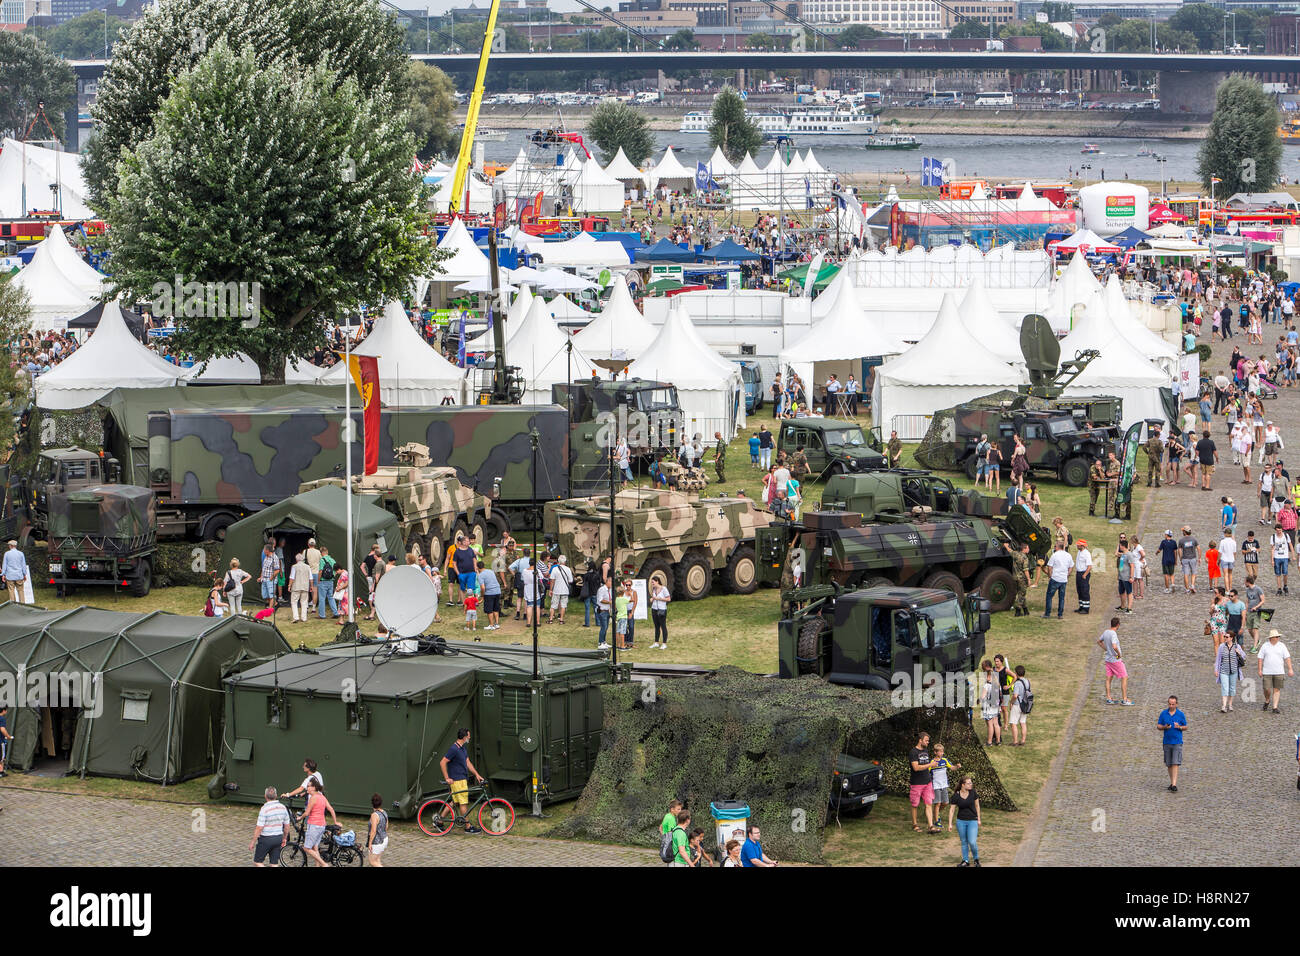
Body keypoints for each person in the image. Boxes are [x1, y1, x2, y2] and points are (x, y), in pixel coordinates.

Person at [439, 727, 485, 833]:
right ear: (464, 737)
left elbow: (468, 762)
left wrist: (477, 775)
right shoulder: (454, 749)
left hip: (462, 779)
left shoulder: (462, 748)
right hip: (458, 780)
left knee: (454, 802)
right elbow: (442, 762)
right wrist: (447, 778)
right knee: (463, 804)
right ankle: (468, 827)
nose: (470, 737)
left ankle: (440, 821)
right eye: (468, 736)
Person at [298, 778, 339, 867]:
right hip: (322, 826)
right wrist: (335, 821)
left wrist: (300, 818)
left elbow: (307, 813)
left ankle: (324, 864)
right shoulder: (322, 797)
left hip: (314, 825)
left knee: (306, 848)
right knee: (315, 848)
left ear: (314, 787)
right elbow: (331, 809)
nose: (307, 788)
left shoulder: (313, 798)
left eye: (308, 786)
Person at [908, 731, 941, 833]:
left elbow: (925, 765)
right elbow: (916, 767)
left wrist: (932, 764)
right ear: (920, 740)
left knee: (928, 803)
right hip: (916, 783)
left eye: (928, 741)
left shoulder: (926, 750)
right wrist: (930, 765)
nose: (928, 742)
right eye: (926, 740)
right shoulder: (913, 752)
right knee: (915, 804)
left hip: (927, 782)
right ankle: (915, 825)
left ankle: (931, 826)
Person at [250, 786, 291, 867]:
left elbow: (259, 828)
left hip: (266, 839)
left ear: (265, 796)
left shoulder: (264, 809)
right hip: (278, 838)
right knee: (274, 863)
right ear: (276, 796)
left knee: (258, 862)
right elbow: (287, 826)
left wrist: (253, 841)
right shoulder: (283, 808)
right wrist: (284, 838)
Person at [1156, 696, 1188, 792]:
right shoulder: (1163, 714)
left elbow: (1186, 726)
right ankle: (1171, 782)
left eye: (1173, 704)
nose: (1171, 706)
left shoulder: (1180, 714)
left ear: (1176, 704)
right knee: (1169, 764)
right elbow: (1158, 726)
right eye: (1169, 704)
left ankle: (1174, 784)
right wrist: (1164, 727)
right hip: (1167, 742)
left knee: (1175, 763)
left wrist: (1180, 727)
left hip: (1177, 742)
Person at [948, 776, 981, 867]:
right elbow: (952, 810)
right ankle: (965, 860)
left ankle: (976, 859)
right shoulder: (956, 795)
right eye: (969, 783)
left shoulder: (973, 793)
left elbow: (977, 806)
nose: (971, 784)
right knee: (964, 842)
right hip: (961, 821)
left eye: (971, 783)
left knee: (972, 842)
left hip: (972, 821)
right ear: (963, 785)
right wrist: (950, 823)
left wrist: (979, 819)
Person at [1259, 629, 1294, 714]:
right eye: (1277, 637)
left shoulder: (1282, 646)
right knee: (1266, 688)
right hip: (1267, 671)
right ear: (1271, 638)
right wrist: (1260, 669)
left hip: (1279, 671)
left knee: (1277, 689)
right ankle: (1267, 700)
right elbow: (1260, 658)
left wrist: (1290, 669)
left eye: (1278, 636)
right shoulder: (1265, 646)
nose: (1278, 638)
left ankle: (1275, 707)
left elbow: (1287, 658)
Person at [1215, 631, 1246, 713]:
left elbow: (1244, 656)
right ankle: (1224, 706)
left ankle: (1230, 704)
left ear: (1231, 638)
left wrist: (1239, 652)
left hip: (1234, 671)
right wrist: (1216, 670)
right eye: (1225, 636)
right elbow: (1218, 659)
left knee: (1232, 688)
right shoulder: (1221, 647)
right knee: (1225, 688)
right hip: (1223, 671)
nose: (1225, 638)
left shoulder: (1237, 646)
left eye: (1227, 637)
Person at [1044, 541, 1073, 619]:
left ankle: (1047, 613)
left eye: (1055, 546)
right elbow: (1071, 567)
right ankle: (1060, 614)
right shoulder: (1068, 555)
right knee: (1061, 597)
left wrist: (1050, 575)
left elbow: (1050, 566)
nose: (1054, 547)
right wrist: (1067, 574)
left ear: (1057, 547)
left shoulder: (1055, 555)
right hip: (1063, 579)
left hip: (1055, 578)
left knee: (1049, 596)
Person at [979, 661, 1002, 746]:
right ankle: (998, 741)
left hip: (988, 706)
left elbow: (982, 697)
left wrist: (979, 699)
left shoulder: (986, 685)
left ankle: (989, 742)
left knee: (990, 724)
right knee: (996, 723)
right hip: (996, 705)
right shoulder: (997, 683)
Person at [1009, 665, 1032, 745]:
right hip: (1025, 704)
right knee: (1023, 722)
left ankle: (1015, 741)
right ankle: (1023, 740)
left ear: (1016, 673)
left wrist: (1011, 702)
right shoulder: (1027, 681)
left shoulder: (1018, 683)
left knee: (1013, 723)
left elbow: (1015, 695)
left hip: (1017, 704)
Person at [548, 555, 572, 624]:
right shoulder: (568, 569)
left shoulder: (555, 569)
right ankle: (561, 619)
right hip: (565, 590)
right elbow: (570, 580)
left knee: (553, 605)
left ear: (558, 561)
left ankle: (551, 619)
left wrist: (550, 590)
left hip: (556, 590)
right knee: (563, 605)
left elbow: (552, 580)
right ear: (565, 561)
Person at [477, 560, 501, 630]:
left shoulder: (480, 575)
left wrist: (482, 595)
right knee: (496, 608)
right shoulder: (491, 571)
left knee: (489, 609)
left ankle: (491, 625)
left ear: (478, 568)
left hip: (489, 593)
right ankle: (496, 624)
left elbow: (483, 587)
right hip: (497, 591)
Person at [366, 793, 389, 866]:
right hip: (384, 839)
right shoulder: (384, 812)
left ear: (372, 803)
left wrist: (370, 843)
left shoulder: (374, 815)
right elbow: (386, 826)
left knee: (372, 861)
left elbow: (373, 831)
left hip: (377, 842)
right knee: (377, 860)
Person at [649, 575, 671, 649]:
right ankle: (656, 642)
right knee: (656, 626)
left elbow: (668, 599)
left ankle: (664, 643)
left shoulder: (664, 589)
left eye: (653, 582)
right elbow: (654, 597)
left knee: (663, 626)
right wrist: (652, 599)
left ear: (657, 581)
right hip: (654, 609)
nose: (652, 584)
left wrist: (659, 598)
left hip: (662, 609)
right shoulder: (654, 589)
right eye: (652, 582)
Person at [289, 552, 312, 623]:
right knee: (304, 602)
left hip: (296, 587)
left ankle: (296, 617)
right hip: (305, 586)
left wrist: (289, 585)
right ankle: (304, 618)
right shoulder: (308, 567)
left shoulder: (294, 566)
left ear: (296, 560)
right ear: (303, 560)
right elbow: (311, 578)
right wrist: (311, 586)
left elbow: (292, 577)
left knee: (294, 602)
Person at [257, 541, 280, 608]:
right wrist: (261, 577)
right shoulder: (266, 558)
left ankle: (269, 610)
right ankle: (275, 603)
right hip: (264, 579)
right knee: (265, 595)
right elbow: (263, 568)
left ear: (267, 550)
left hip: (270, 580)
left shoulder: (274, 558)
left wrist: (271, 578)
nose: (263, 551)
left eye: (264, 550)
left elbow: (277, 570)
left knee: (271, 595)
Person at [1074, 538, 1093, 614]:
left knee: (1084, 591)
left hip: (1083, 573)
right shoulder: (1079, 552)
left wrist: (1085, 575)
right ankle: (1081, 606)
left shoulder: (1086, 553)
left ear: (1082, 546)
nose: (1077, 546)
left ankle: (1086, 608)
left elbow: (1089, 566)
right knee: (1079, 590)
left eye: (1078, 545)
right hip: (1079, 573)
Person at [1178, 526, 1199, 594]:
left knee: (1186, 574)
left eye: (1183, 531)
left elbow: (1179, 550)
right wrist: (1199, 557)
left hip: (1185, 558)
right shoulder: (1194, 539)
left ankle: (1187, 589)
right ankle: (1192, 585)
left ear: (1184, 532)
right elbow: (1199, 548)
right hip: (1193, 558)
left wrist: (1180, 559)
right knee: (1193, 573)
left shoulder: (1181, 540)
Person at [595, 573, 613, 650]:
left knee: (606, 627)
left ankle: (604, 641)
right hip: (602, 610)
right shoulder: (602, 589)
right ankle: (600, 642)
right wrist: (609, 602)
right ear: (607, 582)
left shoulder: (610, 590)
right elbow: (600, 600)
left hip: (607, 610)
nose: (612, 584)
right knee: (603, 627)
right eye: (611, 582)